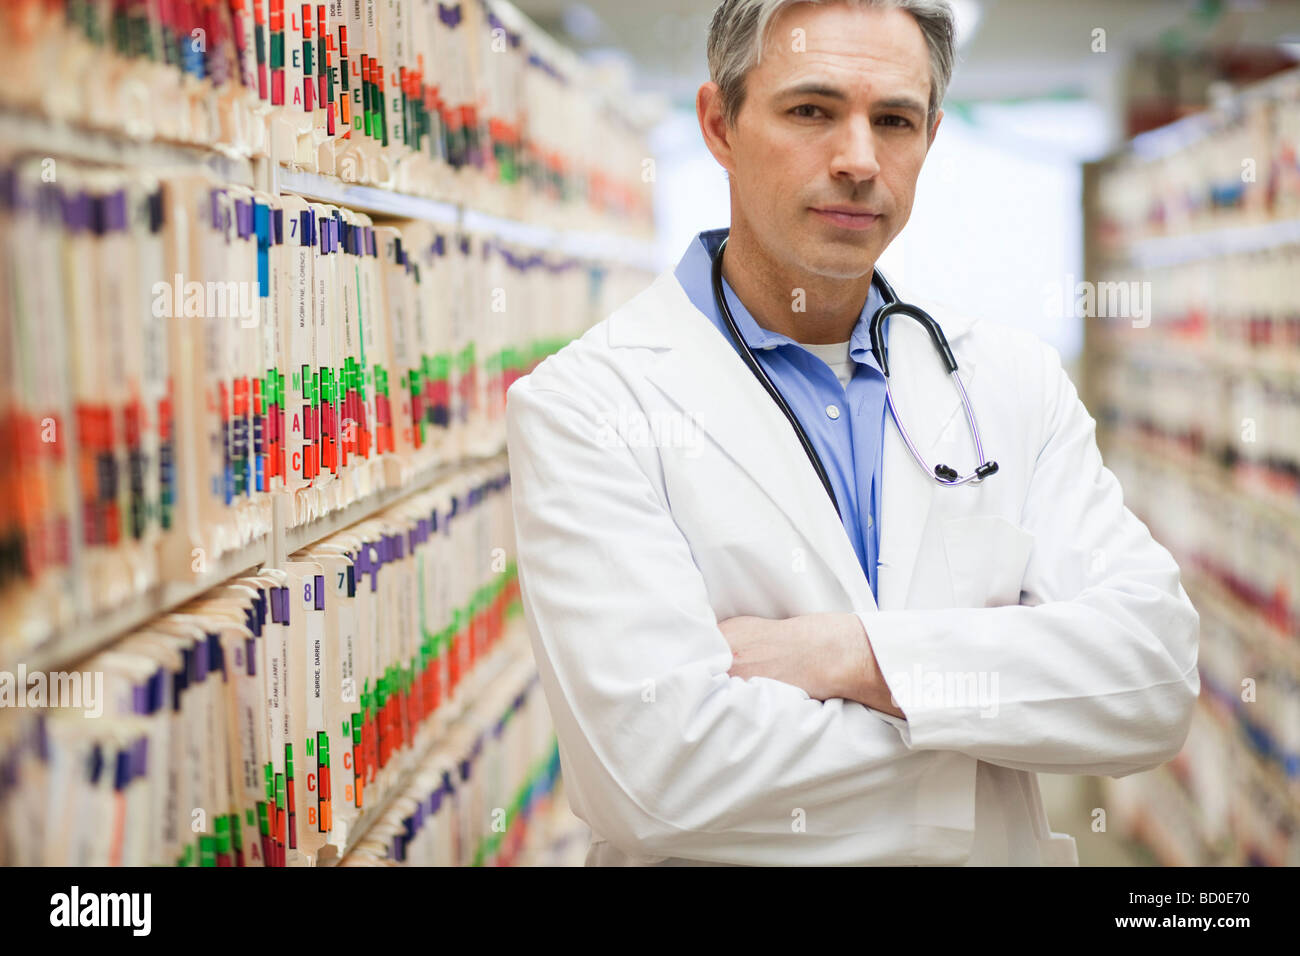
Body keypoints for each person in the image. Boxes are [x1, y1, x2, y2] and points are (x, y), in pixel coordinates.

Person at [504, 0, 1199, 866]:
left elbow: (1151, 681)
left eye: (895, 121)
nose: (860, 160)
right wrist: (988, 732)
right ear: (719, 125)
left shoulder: (1011, 383)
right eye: (811, 110)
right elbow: (657, 776)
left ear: (932, 137)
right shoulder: (586, 404)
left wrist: (848, 655)